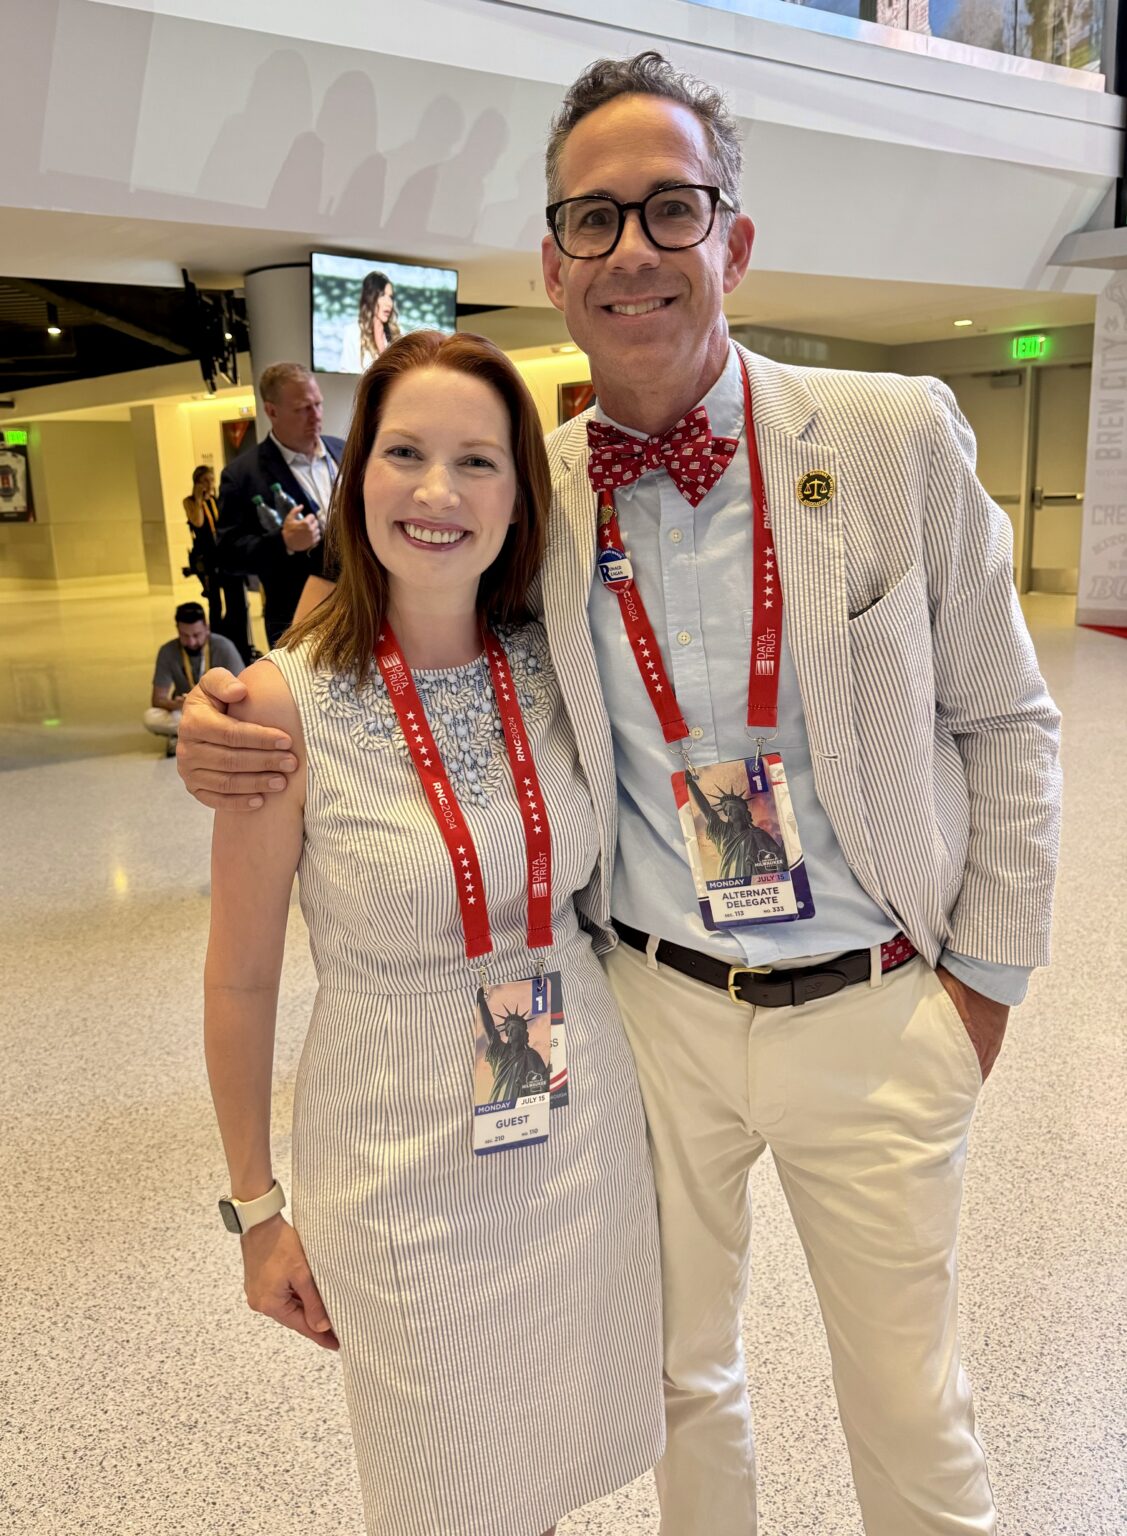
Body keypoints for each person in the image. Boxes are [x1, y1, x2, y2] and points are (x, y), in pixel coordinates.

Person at [177, 52, 1062, 1536]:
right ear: (552, 258)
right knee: (681, 1387)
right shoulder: (540, 482)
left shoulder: (892, 433)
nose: (631, 248)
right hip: (649, 1020)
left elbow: (1008, 723)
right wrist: (230, 719)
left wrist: (980, 984)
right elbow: (395, 655)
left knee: (909, 1406)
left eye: (670, 208)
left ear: (733, 239)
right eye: (592, 218)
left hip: (873, 1002)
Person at [203, 330, 662, 1536]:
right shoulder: (277, 701)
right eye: (401, 453)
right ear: (355, 483)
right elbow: (242, 978)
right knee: (439, 1489)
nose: (436, 492)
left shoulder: (557, 663)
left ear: (520, 497)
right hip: (395, 1150)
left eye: (477, 461)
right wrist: (256, 1211)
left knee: (539, 1463)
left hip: (574, 1132)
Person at [215, 363, 344, 648]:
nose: (316, 416)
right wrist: (283, 542)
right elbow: (227, 555)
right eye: (302, 409)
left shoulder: (343, 451)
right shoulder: (242, 476)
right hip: (299, 618)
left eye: (318, 404)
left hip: (367, 606)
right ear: (271, 411)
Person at [143, 602, 242, 752]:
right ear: (177, 630)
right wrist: (177, 704)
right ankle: (209, 735)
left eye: (196, 635)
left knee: (240, 715)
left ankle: (188, 734)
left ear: (206, 628)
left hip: (218, 708)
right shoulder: (167, 651)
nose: (191, 642)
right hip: (185, 709)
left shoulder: (224, 647)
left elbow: (242, 692)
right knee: (150, 717)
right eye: (184, 635)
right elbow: (157, 699)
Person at [183, 465, 252, 663]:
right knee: (214, 600)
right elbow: (197, 521)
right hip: (206, 559)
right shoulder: (189, 502)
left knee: (234, 599)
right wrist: (198, 498)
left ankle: (235, 639)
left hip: (223, 557)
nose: (209, 484)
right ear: (197, 482)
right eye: (205, 480)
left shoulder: (217, 501)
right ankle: (215, 638)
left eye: (211, 480)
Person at [338, 270, 400, 372]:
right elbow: (345, 372)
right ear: (371, 297)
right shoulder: (353, 332)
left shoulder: (397, 333)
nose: (389, 303)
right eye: (382, 295)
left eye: (390, 297)